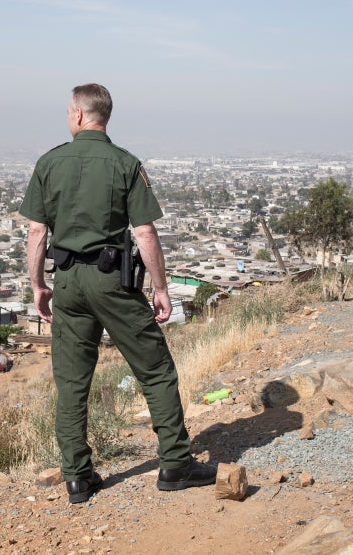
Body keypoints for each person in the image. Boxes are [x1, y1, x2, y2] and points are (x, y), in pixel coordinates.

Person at [20, 83, 216, 504]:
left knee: (72, 381)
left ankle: (77, 476)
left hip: (68, 282)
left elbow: (37, 232)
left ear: (77, 114)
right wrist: (160, 288)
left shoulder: (49, 162)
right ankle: (175, 464)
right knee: (155, 369)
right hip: (114, 282)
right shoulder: (125, 163)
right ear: (104, 117)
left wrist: (38, 285)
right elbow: (144, 230)